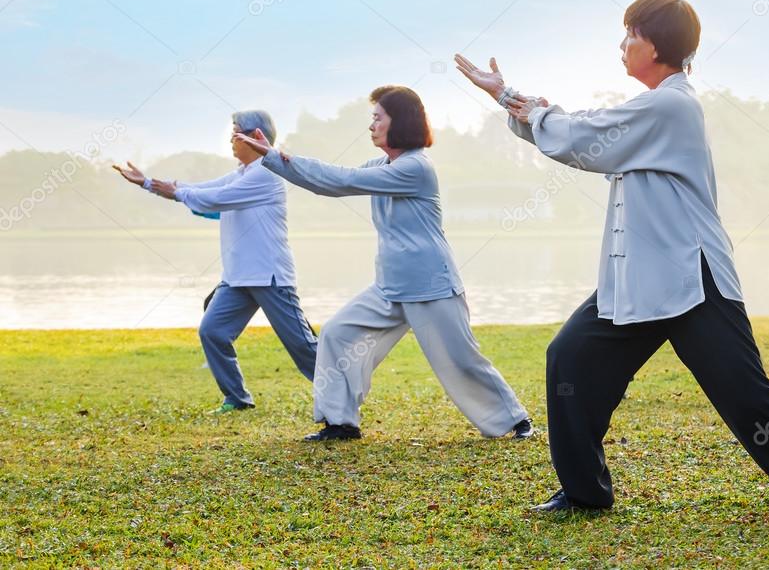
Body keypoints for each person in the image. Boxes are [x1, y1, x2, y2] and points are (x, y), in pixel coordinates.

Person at [454, 0, 769, 515]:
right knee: (570, 357)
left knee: (745, 393)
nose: (622, 44)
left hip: (692, 277)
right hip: (635, 278)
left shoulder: (670, 104)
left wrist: (508, 94)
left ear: (658, 45)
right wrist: (510, 100)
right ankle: (584, 493)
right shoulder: (653, 108)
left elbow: (581, 134)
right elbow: (582, 140)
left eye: (631, 34)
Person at [232, 85, 533, 442]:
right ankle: (340, 422)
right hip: (390, 286)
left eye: (378, 118)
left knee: (460, 359)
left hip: (430, 286)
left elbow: (342, 181)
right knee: (338, 333)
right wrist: (277, 159)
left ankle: (515, 421)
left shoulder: (416, 168)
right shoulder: (383, 164)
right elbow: (333, 178)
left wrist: (274, 157)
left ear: (400, 122)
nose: (371, 126)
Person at [113, 110, 318, 414]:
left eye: (235, 132)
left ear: (255, 136)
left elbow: (213, 199)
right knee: (213, 331)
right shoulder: (242, 172)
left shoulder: (267, 173)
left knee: (302, 348)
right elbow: (202, 190)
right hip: (238, 278)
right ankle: (236, 398)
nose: (230, 140)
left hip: (270, 276)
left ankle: (343, 388)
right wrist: (147, 184)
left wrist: (173, 190)